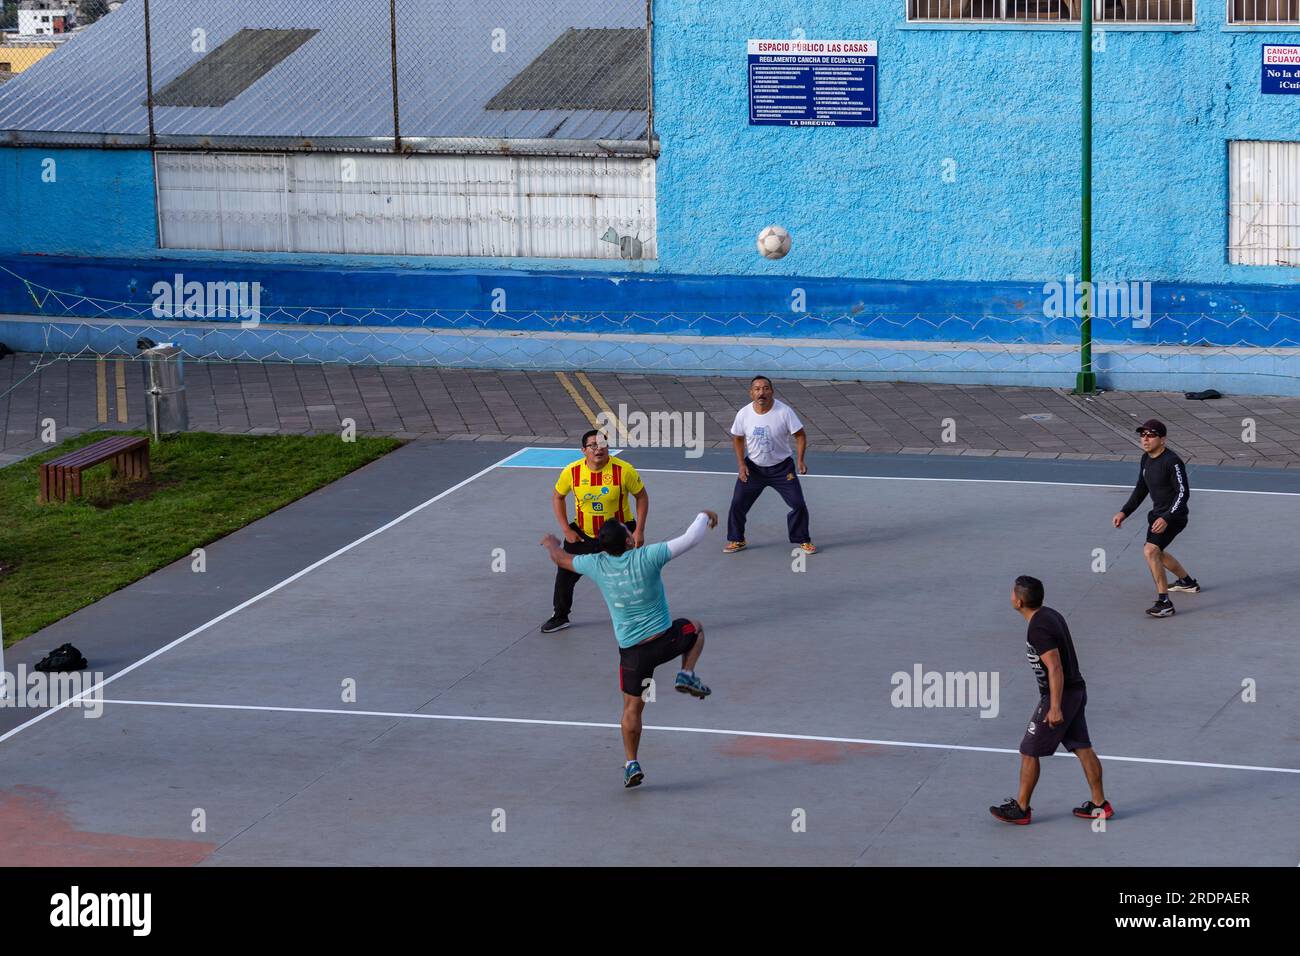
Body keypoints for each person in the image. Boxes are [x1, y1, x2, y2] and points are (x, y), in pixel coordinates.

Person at [541, 510, 717, 788]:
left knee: (632, 708)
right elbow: (691, 538)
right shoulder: (648, 556)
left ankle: (631, 763)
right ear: (627, 541)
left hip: (634, 654)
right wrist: (703, 515)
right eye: (628, 531)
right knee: (695, 627)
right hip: (667, 640)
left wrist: (552, 543)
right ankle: (686, 673)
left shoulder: (595, 564)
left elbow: (560, 559)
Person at [990, 576, 1113, 826]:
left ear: (1020, 600)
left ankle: (1021, 808)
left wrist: (1055, 706)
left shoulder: (1038, 628)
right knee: (1082, 746)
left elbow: (1055, 667)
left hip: (1061, 696)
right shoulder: (1049, 614)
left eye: (1013, 593)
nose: (1011, 596)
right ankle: (1100, 805)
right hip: (1076, 690)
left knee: (1028, 750)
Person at [541, 430, 648, 634]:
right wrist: (566, 529)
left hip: (618, 535)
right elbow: (558, 497)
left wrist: (639, 531)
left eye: (602, 444)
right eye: (593, 445)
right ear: (583, 450)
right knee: (565, 574)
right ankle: (560, 616)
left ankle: (639, 616)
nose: (599, 448)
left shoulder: (624, 470)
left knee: (629, 575)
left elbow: (642, 497)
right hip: (583, 534)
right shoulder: (571, 472)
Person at [1112, 419, 1198, 618]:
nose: (1145, 439)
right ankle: (1187, 582)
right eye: (1143, 435)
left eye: (1150, 435)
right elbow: (1141, 489)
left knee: (1150, 550)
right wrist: (1124, 512)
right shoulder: (1146, 459)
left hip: (1175, 516)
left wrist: (1168, 517)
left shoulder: (1172, 461)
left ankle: (1164, 602)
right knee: (1156, 552)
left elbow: (1183, 493)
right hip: (1158, 515)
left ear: (1163, 440)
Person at [724, 375, 816, 555]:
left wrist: (800, 460)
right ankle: (737, 539)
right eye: (757, 389)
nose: (761, 392)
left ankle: (803, 539)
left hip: (782, 469)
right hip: (754, 469)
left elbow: (800, 435)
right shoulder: (743, 414)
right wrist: (741, 464)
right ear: (751, 393)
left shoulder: (784, 412)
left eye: (766, 388)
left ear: (772, 391)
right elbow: (737, 438)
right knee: (737, 503)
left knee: (798, 504)